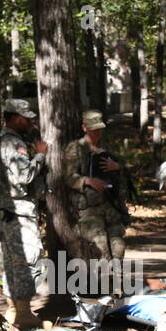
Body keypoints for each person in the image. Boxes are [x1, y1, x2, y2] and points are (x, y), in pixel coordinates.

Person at [0, 98, 47, 330]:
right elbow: (25, 176)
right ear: (12, 118)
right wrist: (40, 156)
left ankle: (15, 309)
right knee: (28, 259)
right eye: (25, 118)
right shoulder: (13, 143)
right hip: (19, 211)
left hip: (5, 211)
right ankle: (23, 311)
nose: (30, 122)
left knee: (12, 262)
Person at [69, 110, 129, 266]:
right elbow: (67, 177)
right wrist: (87, 180)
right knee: (101, 250)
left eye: (99, 129)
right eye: (93, 129)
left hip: (110, 206)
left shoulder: (106, 148)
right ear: (84, 128)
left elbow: (123, 176)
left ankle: (115, 285)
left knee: (118, 247)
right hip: (89, 210)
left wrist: (117, 167)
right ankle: (105, 288)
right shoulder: (75, 148)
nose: (97, 132)